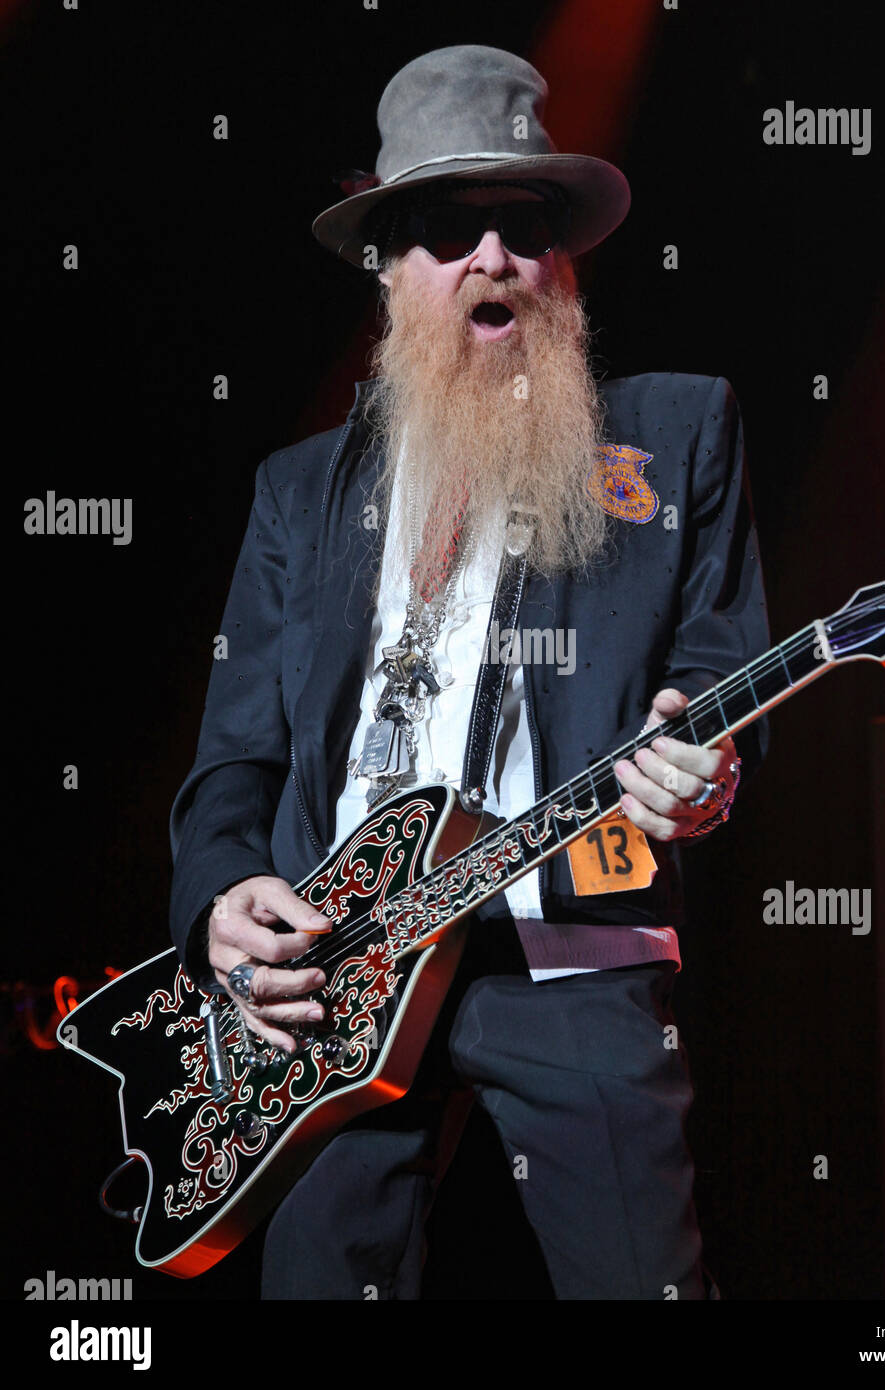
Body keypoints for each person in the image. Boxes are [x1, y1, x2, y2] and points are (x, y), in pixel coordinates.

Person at [169, 44, 770, 1300]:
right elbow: (236, 759)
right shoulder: (300, 493)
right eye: (452, 229)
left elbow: (720, 677)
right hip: (339, 974)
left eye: (526, 227)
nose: (495, 258)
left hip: (570, 957)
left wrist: (702, 769)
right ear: (393, 271)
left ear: (562, 262)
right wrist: (224, 896)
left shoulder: (670, 436)